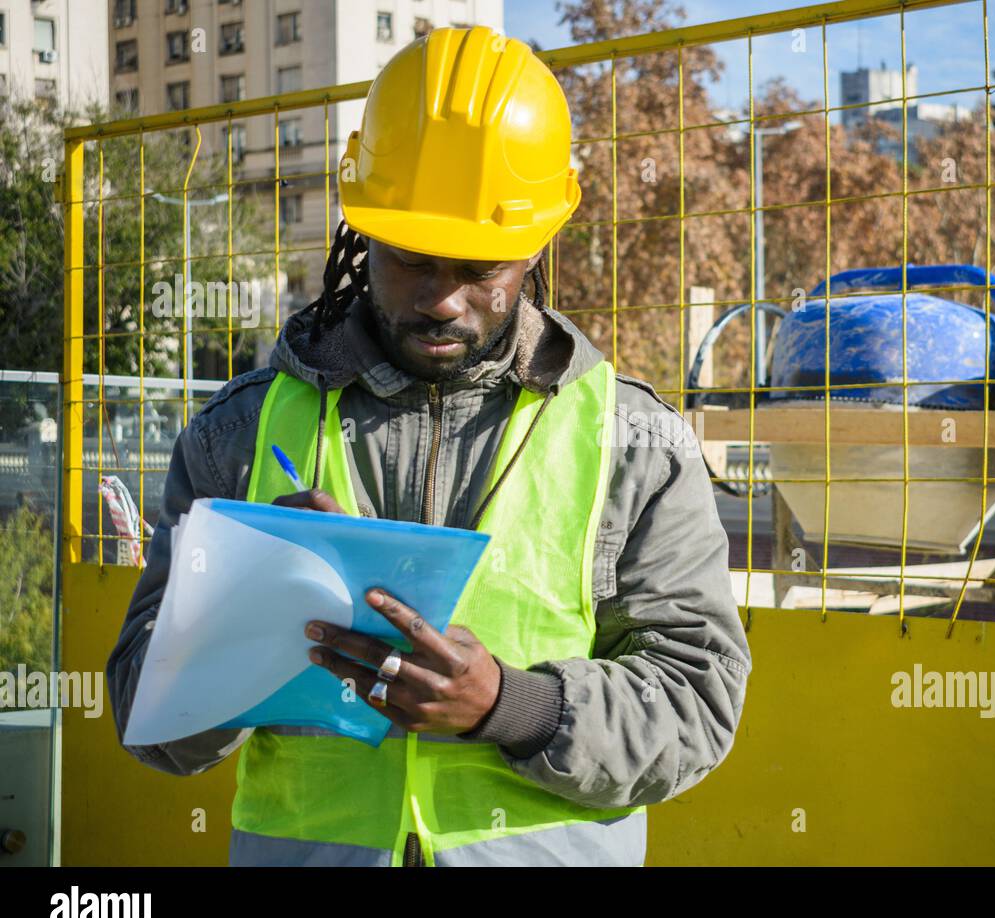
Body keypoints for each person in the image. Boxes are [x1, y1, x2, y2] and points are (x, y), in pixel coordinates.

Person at [106, 26, 750, 867]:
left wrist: (511, 708)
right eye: (411, 258)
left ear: (534, 246)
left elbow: (697, 701)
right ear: (361, 231)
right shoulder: (239, 434)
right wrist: (242, 602)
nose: (442, 300)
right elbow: (142, 719)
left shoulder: (632, 440)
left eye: (479, 265)